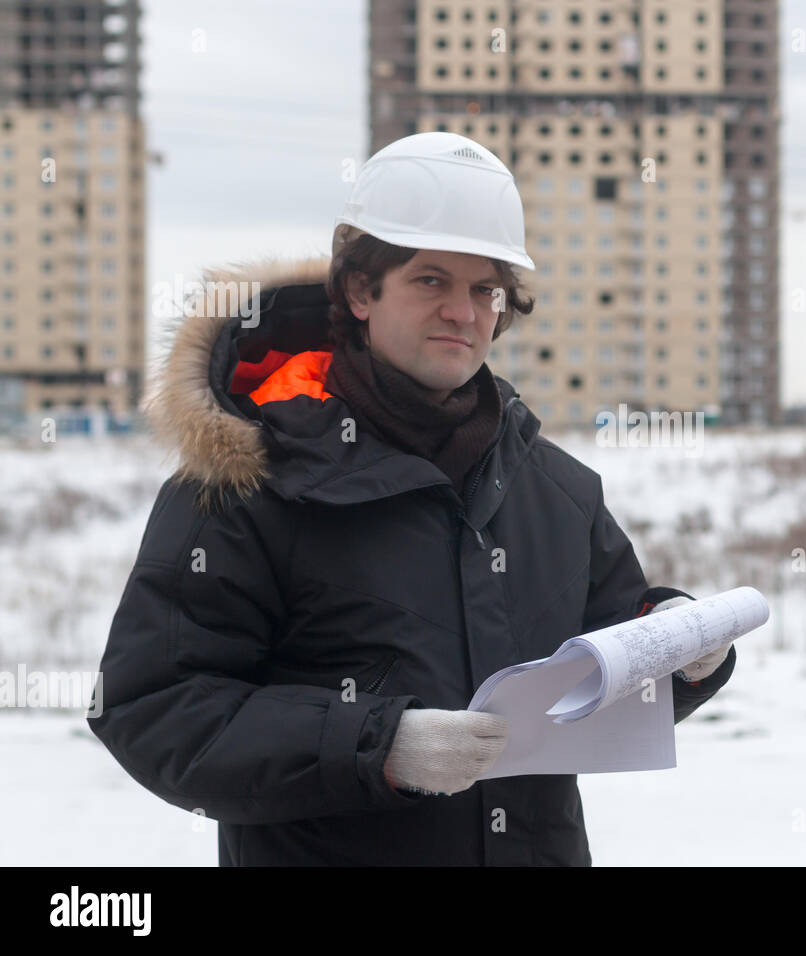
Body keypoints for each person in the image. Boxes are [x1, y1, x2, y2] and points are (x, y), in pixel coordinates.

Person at [87, 132, 737, 866]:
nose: (462, 312)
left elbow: (600, 683)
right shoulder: (249, 480)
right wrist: (380, 746)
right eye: (432, 280)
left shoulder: (556, 489)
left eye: (484, 288)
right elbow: (153, 707)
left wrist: (678, 651)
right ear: (361, 290)